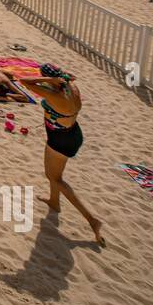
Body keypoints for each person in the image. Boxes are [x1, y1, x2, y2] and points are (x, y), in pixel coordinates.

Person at [16, 64, 104, 246]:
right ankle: (54, 201)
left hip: (60, 140)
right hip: (73, 133)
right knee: (55, 175)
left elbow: (24, 81)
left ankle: (92, 219)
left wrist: (47, 80)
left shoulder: (54, 94)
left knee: (54, 178)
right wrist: (59, 78)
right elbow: (72, 76)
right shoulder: (71, 87)